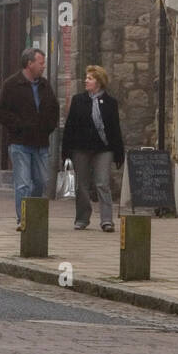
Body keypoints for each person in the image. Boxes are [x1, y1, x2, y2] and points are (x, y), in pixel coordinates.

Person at [0, 48, 59, 230]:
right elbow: (1, 112)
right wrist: (19, 126)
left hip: (40, 143)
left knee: (41, 181)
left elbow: (54, 108)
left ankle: (33, 213)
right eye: (41, 62)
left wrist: (48, 127)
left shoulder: (45, 85)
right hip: (20, 143)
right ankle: (23, 219)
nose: (43, 66)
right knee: (22, 183)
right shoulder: (12, 84)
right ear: (29, 63)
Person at [62, 65, 124, 232]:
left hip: (104, 148)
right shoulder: (78, 100)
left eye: (90, 78)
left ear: (99, 81)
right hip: (81, 148)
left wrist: (119, 153)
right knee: (81, 185)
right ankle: (82, 218)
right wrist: (66, 151)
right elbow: (70, 126)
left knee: (102, 183)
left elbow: (115, 128)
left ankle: (106, 220)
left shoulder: (110, 103)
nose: (86, 81)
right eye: (86, 78)